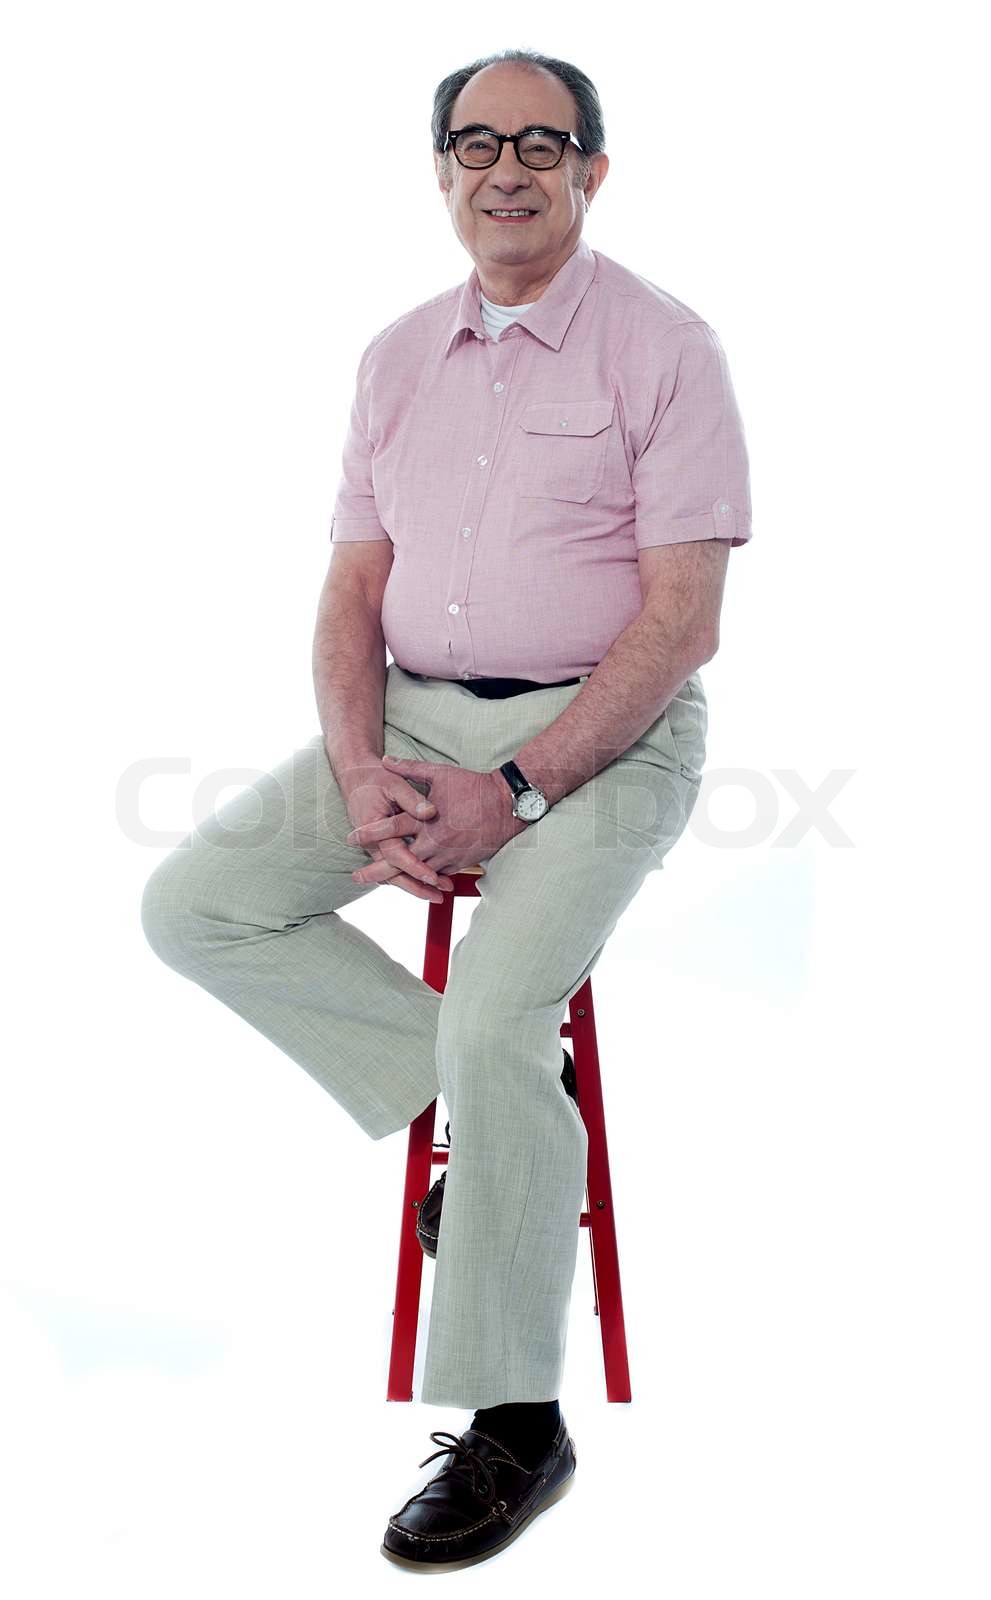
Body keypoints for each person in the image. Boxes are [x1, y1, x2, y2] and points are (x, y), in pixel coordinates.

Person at [140, 46, 753, 1572]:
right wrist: (361, 768)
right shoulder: (396, 353)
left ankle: (517, 1423)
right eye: (474, 141)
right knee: (196, 906)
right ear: (441, 173)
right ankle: (492, 1145)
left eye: (544, 142)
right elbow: (353, 589)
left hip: (602, 733)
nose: (507, 167)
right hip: (414, 712)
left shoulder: (668, 347)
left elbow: (682, 622)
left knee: (496, 1020)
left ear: (593, 172)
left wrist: (520, 787)